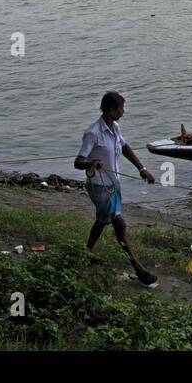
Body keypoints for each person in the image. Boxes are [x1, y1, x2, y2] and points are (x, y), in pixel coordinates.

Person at [75, 91, 158, 286]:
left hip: (113, 184)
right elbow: (78, 162)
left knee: (102, 221)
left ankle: (85, 252)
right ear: (111, 110)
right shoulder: (93, 133)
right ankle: (139, 270)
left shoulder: (115, 127)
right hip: (99, 186)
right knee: (118, 225)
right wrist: (91, 163)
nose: (123, 111)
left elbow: (125, 148)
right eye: (121, 108)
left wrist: (142, 169)